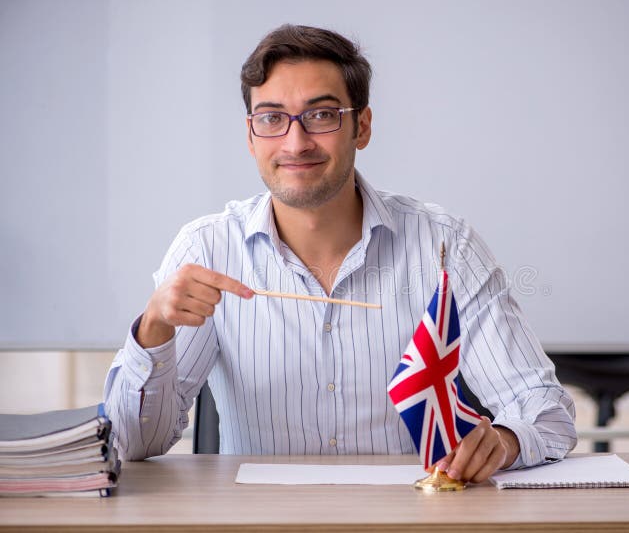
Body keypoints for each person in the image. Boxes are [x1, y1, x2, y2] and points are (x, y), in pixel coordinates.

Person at [103, 24, 576, 483]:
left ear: (362, 126)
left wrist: (507, 441)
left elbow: (546, 412)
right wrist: (154, 328)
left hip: (415, 520)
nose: (296, 142)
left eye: (322, 115)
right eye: (271, 118)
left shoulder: (445, 246)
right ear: (250, 137)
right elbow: (130, 443)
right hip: (262, 525)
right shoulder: (207, 250)